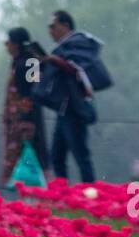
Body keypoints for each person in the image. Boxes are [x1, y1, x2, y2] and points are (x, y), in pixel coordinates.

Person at [41, 11, 98, 183]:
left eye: (53, 26)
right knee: (57, 156)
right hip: (63, 108)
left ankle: (92, 196)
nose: (50, 31)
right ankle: (63, 196)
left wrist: (56, 61)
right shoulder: (60, 50)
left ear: (65, 26)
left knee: (81, 155)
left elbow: (78, 69)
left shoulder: (79, 43)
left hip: (75, 108)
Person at [1, 27, 52, 187]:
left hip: (27, 121)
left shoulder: (30, 61)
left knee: (32, 158)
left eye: (8, 41)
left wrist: (27, 120)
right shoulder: (17, 62)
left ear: (16, 44)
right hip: (16, 122)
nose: (6, 45)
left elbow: (33, 93)